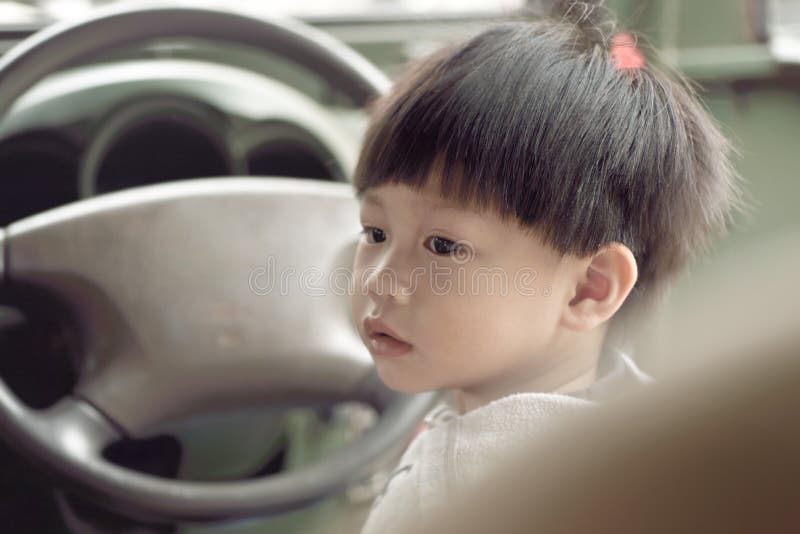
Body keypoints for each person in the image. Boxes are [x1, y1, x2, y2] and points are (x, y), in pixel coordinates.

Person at [348, 1, 743, 532]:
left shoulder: (453, 491)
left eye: (442, 247)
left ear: (589, 288)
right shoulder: (658, 428)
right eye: (375, 233)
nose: (382, 280)